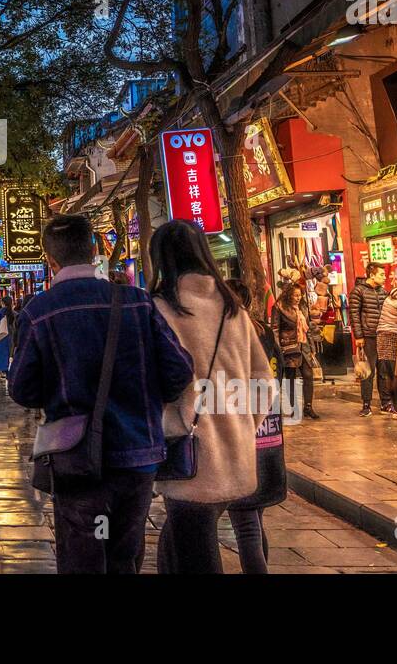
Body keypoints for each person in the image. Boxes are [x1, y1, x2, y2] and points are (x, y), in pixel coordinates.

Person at [9, 214, 194, 574]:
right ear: (94, 250)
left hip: (76, 460)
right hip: (138, 453)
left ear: (50, 259)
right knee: (125, 557)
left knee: (81, 558)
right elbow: (179, 370)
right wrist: (148, 402)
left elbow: (23, 389)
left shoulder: (39, 312)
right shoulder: (137, 303)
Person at [150, 221, 273, 574]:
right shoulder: (233, 309)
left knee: (196, 554)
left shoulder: (160, 308)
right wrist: (245, 425)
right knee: (178, 540)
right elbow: (263, 379)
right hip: (235, 452)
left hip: (187, 454)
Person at [222, 278, 285, 574]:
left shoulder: (230, 333)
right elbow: (279, 375)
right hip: (270, 438)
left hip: (244, 437)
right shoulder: (263, 330)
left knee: (245, 524)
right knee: (255, 519)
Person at [271, 282, 317, 420]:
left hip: (304, 346)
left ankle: (308, 406)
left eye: (300, 295)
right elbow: (275, 329)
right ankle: (292, 408)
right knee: (291, 377)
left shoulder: (302, 307)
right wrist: (278, 349)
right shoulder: (279, 307)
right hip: (289, 346)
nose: (298, 298)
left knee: (308, 375)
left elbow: (307, 328)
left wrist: (312, 347)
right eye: (295, 295)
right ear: (288, 295)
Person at [349, 263, 388, 417]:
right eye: (381, 275)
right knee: (367, 371)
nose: (384, 278)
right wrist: (358, 336)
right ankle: (366, 404)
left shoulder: (383, 292)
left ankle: (386, 402)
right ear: (372, 275)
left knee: (384, 371)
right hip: (368, 336)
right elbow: (354, 315)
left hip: (382, 335)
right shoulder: (358, 291)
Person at [375, 283, 397, 416]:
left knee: (388, 373)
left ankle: (391, 404)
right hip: (392, 336)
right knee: (396, 374)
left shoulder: (390, 297)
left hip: (382, 335)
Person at [0, 295, 15, 380]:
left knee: (1, 353)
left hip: (2, 336)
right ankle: (10, 371)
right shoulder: (14, 313)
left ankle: (1, 370)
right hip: (12, 337)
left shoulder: (0, 312)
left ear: (3, 303)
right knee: (11, 354)